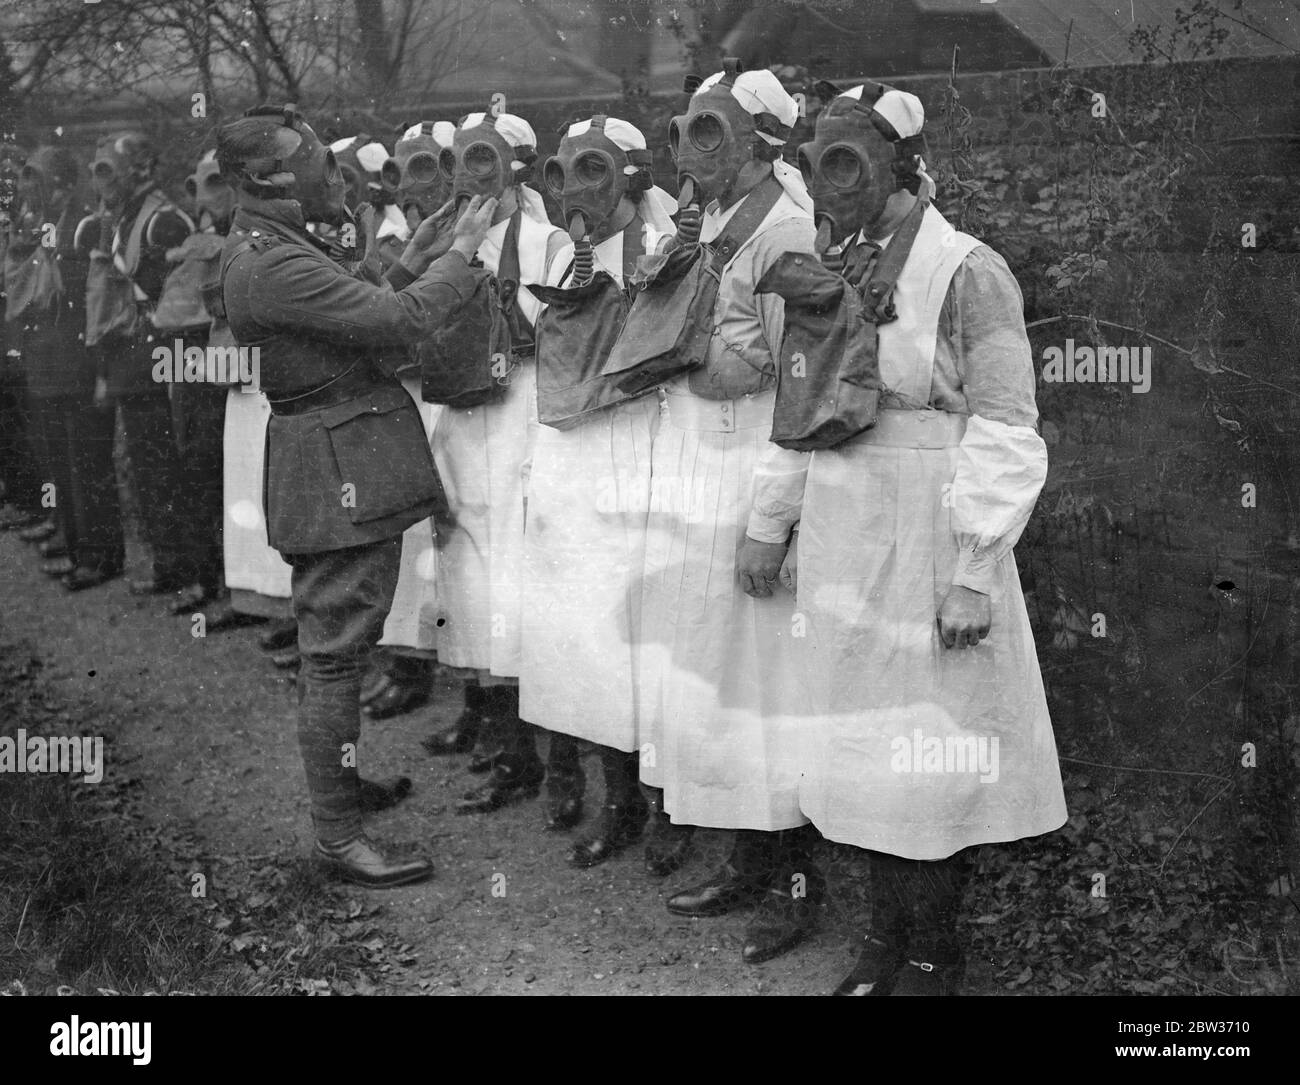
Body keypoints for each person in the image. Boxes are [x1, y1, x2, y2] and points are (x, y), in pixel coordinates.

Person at [769, 82, 1067, 994]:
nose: (836, 180)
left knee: (927, 751)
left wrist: (976, 569)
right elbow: (798, 403)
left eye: (854, 160)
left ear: (902, 163)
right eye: (823, 161)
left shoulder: (968, 269)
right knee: (859, 742)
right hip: (845, 522)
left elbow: (1009, 425)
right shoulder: (828, 263)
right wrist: (771, 518)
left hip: (930, 522)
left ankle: (935, 952)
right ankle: (879, 941)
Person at [215, 103, 497, 887]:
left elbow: (358, 300)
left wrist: (428, 250)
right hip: (333, 464)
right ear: (265, 175)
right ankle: (339, 836)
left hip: (336, 457)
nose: (316, 158)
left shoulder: (276, 242)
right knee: (335, 654)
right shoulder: (271, 261)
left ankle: (342, 789)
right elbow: (394, 321)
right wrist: (464, 257)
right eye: (299, 151)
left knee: (341, 643)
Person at [619, 64, 823, 963]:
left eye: (714, 133)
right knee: (719, 674)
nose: (693, 151)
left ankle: (794, 883)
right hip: (700, 460)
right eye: (688, 132)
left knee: (768, 680)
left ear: (762, 143)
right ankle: (741, 849)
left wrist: (772, 522)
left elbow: (801, 384)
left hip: (751, 470)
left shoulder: (788, 230)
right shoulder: (705, 227)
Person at [520, 115, 677, 850]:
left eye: (595, 170)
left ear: (632, 175)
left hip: (641, 451)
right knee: (589, 634)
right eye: (565, 172)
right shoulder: (560, 257)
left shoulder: (670, 247)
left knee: (650, 636)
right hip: (574, 457)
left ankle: (672, 801)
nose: (577, 190)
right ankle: (618, 799)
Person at [416, 109, 573, 817]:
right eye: (463, 161)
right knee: (471, 586)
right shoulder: (446, 242)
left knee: (520, 590)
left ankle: (551, 759)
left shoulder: (547, 243)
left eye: (486, 161)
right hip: (461, 419)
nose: (472, 176)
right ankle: (501, 737)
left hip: (517, 423)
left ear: (517, 167)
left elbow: (562, 338)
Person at [81, 132, 208, 602]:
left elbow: (178, 295)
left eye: (109, 170)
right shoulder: (122, 219)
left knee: (171, 468)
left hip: (161, 359)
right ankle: (169, 564)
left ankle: (193, 570)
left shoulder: (164, 221)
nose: (102, 182)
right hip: (131, 361)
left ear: (139, 169)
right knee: (148, 469)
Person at [3, 144, 124, 587]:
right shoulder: (38, 225)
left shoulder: (83, 223)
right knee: (60, 458)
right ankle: (77, 546)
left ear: (59, 181)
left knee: (87, 462)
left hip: (77, 360)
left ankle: (100, 554)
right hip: (46, 361)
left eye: (37, 177)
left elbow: (85, 292)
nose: (30, 187)